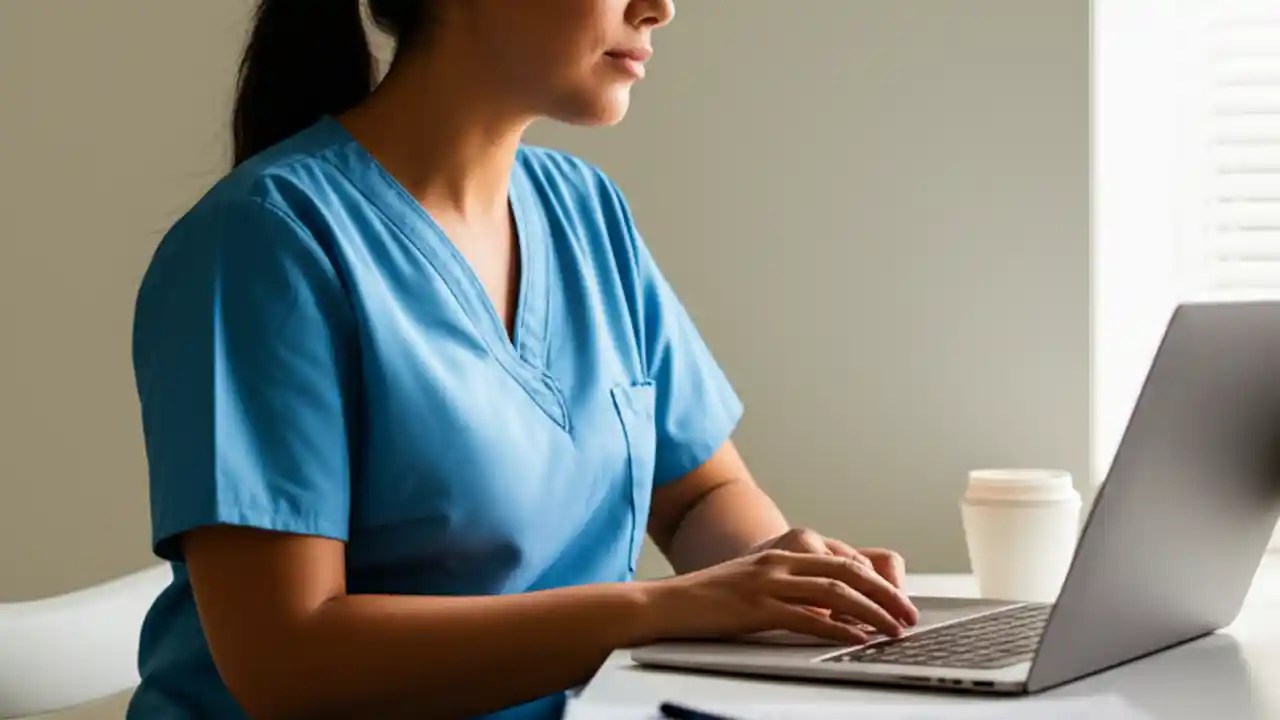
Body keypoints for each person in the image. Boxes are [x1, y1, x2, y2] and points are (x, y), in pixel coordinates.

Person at [126, 1, 919, 718]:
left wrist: (790, 590)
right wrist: (669, 609)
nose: (660, 9)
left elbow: (699, 492)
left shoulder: (585, 211)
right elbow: (287, 663)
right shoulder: (266, 243)